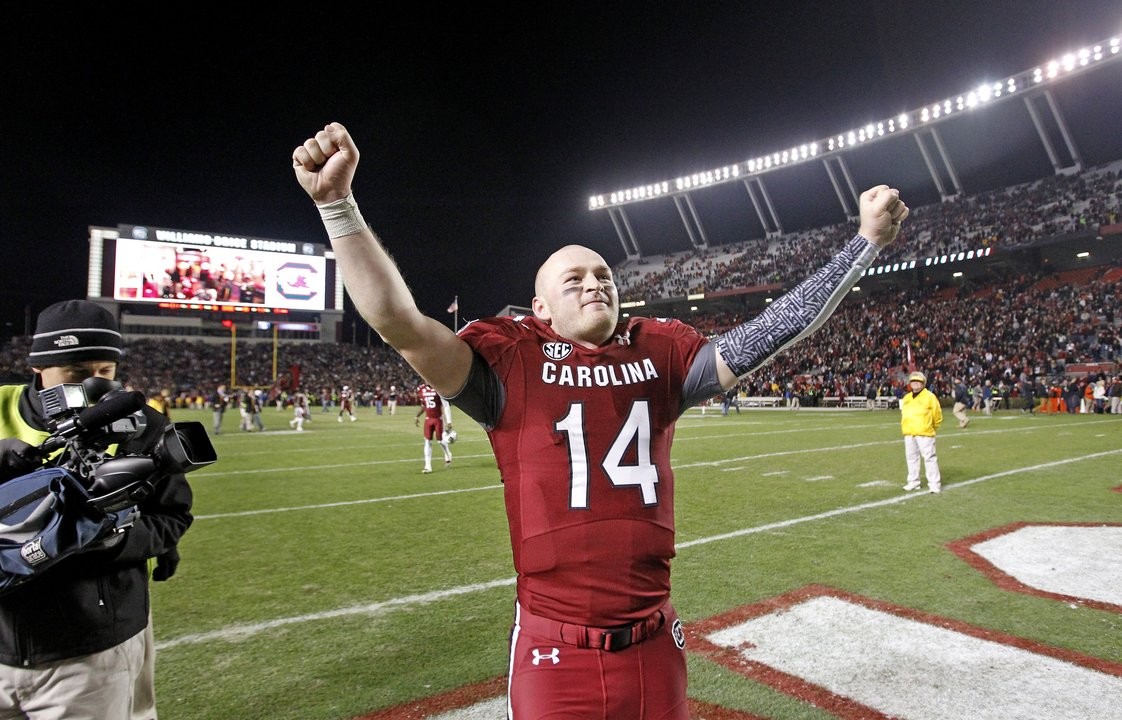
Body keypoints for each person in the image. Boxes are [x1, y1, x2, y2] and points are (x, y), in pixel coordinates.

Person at [292, 121, 908, 719]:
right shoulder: (508, 362)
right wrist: (339, 208)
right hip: (553, 652)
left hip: (654, 641)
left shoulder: (660, 353)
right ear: (539, 307)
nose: (595, 285)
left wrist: (864, 244)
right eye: (574, 279)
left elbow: (774, 329)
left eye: (605, 276)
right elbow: (398, 321)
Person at [0, 299, 194, 718]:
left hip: (91, 650)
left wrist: (111, 540)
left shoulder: (142, 423)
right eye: (75, 372)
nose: (93, 383)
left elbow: (172, 517)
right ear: (38, 366)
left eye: (105, 371)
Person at [900, 370, 943, 494]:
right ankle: (913, 482)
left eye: (918, 381)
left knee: (929, 458)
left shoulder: (929, 396)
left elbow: (937, 414)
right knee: (911, 458)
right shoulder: (907, 397)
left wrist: (932, 427)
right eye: (913, 381)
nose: (915, 384)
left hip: (924, 432)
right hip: (909, 432)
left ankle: (934, 484)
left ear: (923, 383)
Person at [414, 383, 452, 473]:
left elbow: (446, 405)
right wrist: (417, 416)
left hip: (438, 419)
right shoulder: (421, 389)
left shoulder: (438, 387)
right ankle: (428, 466)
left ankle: (447, 453)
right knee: (427, 441)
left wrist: (449, 421)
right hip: (428, 419)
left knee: (440, 441)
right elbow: (424, 405)